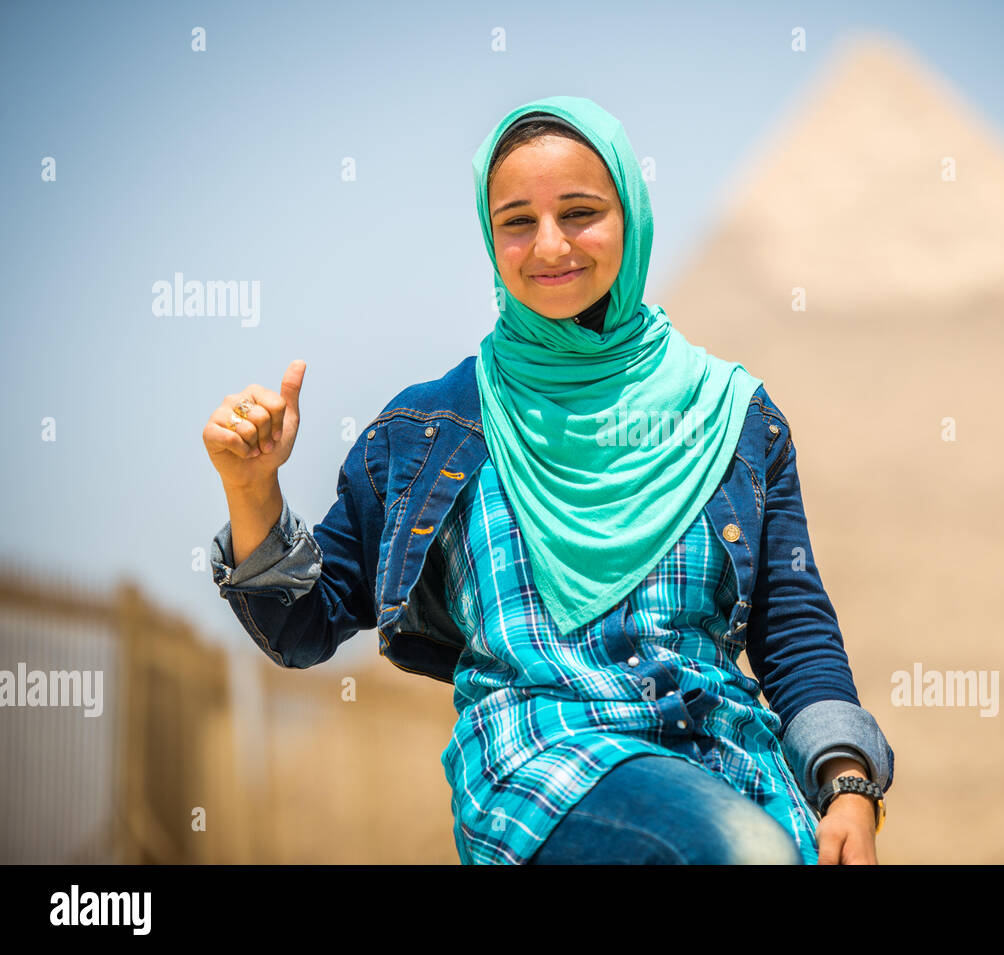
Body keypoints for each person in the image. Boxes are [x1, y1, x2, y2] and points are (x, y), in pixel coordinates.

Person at [202, 96, 893, 865]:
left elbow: (793, 630)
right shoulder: (430, 429)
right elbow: (305, 625)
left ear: (629, 215)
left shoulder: (735, 418)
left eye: (580, 211)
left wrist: (847, 782)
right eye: (517, 221)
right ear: (488, 237)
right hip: (545, 763)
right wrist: (252, 487)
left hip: (733, 765)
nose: (551, 244)